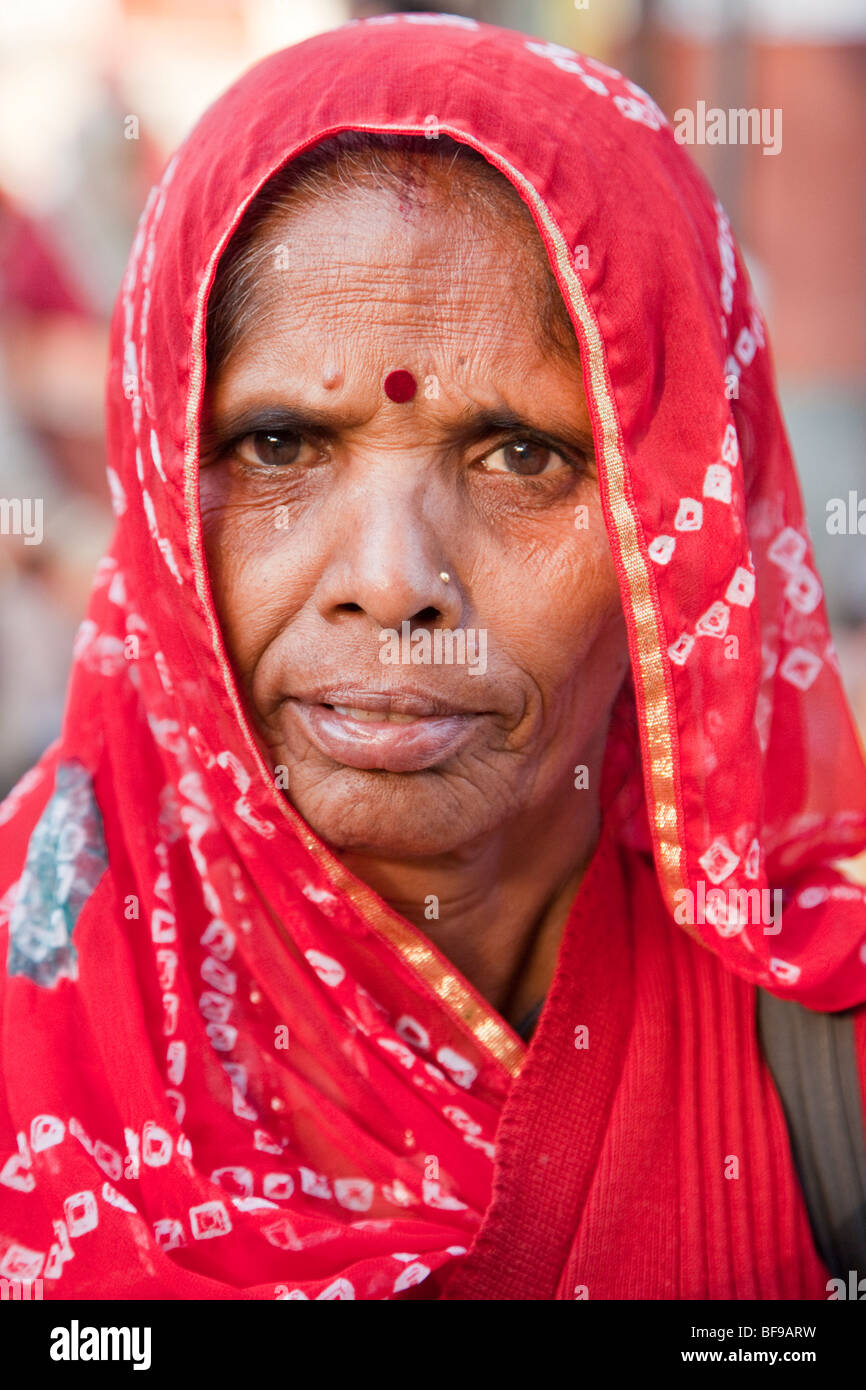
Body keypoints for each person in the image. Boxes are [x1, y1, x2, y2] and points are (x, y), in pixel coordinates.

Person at [1, 13, 865, 1301]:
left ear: (673, 525)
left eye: (524, 453)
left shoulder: (818, 1039)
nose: (394, 582)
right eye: (281, 444)